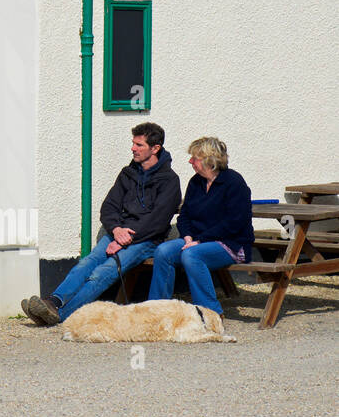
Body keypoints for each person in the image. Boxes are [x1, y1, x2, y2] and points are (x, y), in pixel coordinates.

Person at [23, 122, 181, 326]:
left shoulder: (169, 180)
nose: (133, 148)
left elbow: (157, 221)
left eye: (139, 145)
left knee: (101, 273)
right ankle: (53, 302)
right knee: (86, 264)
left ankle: (61, 316)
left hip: (146, 240)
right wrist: (116, 230)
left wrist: (127, 239)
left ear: (155, 148)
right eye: (133, 143)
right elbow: (109, 207)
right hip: (119, 233)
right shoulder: (127, 174)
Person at [147, 136, 252, 316]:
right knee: (163, 251)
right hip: (196, 240)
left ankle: (210, 312)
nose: (190, 161)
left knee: (192, 255)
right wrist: (187, 236)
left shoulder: (234, 182)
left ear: (209, 160)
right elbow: (184, 215)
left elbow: (234, 223)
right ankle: (156, 310)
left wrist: (201, 240)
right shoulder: (196, 182)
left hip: (231, 243)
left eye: (194, 158)